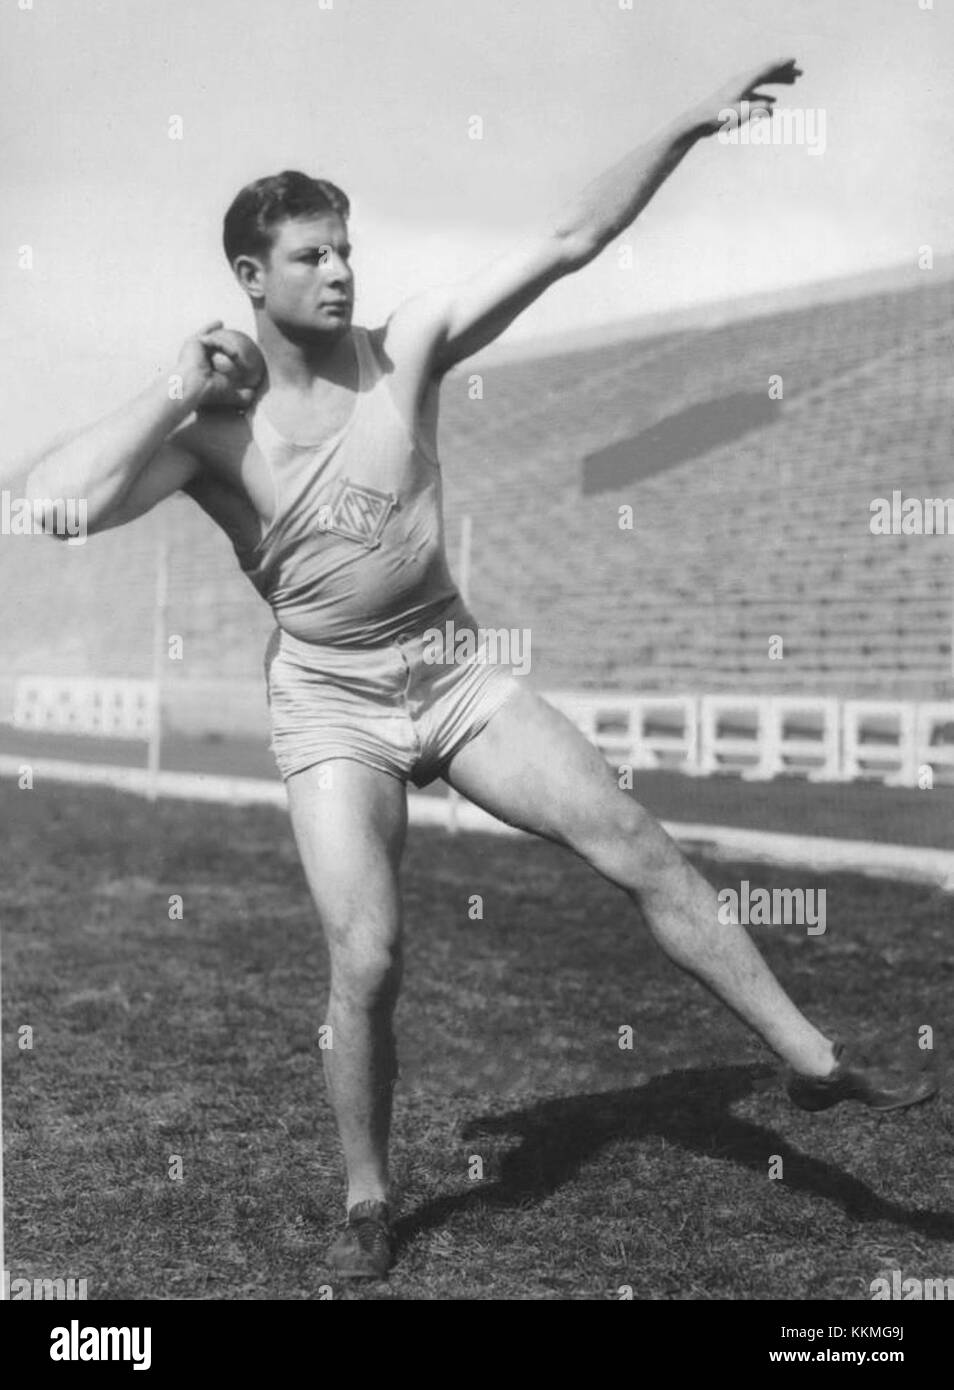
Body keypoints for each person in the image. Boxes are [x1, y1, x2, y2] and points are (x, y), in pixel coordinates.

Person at [27, 59, 936, 1281]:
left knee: (633, 836)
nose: (342, 270)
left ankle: (812, 1059)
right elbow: (54, 512)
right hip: (332, 704)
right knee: (370, 956)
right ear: (250, 277)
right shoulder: (209, 436)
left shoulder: (409, 347)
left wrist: (681, 125)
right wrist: (170, 387)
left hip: (455, 672)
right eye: (309, 256)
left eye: (345, 247)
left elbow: (570, 237)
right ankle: (367, 1200)